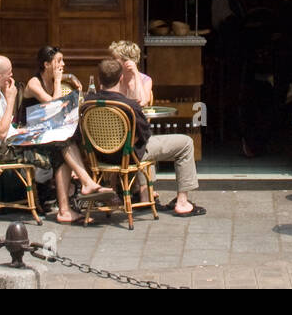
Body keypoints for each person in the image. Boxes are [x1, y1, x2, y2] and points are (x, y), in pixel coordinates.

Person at [0, 55, 114, 223]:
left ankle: (75, 197)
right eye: (9, 73)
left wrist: (27, 130)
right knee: (62, 145)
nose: (12, 77)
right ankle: (79, 192)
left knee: (64, 137)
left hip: (14, 140)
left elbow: (6, 128)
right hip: (3, 151)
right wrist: (11, 100)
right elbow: (0, 133)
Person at [87, 55, 205, 217]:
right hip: (129, 156)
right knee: (185, 143)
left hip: (101, 157)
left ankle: (144, 193)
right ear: (121, 78)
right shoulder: (128, 106)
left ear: (99, 78)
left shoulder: (87, 104)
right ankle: (183, 202)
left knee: (141, 144)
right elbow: (145, 133)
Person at [22, 46, 80, 119]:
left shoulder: (51, 77)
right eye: (59, 61)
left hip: (45, 123)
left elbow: (66, 76)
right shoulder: (33, 84)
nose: (63, 64)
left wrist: (71, 77)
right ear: (46, 65)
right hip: (26, 126)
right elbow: (55, 107)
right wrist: (57, 81)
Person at [108, 41, 152, 107]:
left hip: (137, 116)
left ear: (127, 61)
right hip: (117, 116)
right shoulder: (114, 78)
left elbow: (143, 102)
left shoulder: (145, 80)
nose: (111, 61)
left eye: (114, 58)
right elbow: (107, 101)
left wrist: (136, 74)